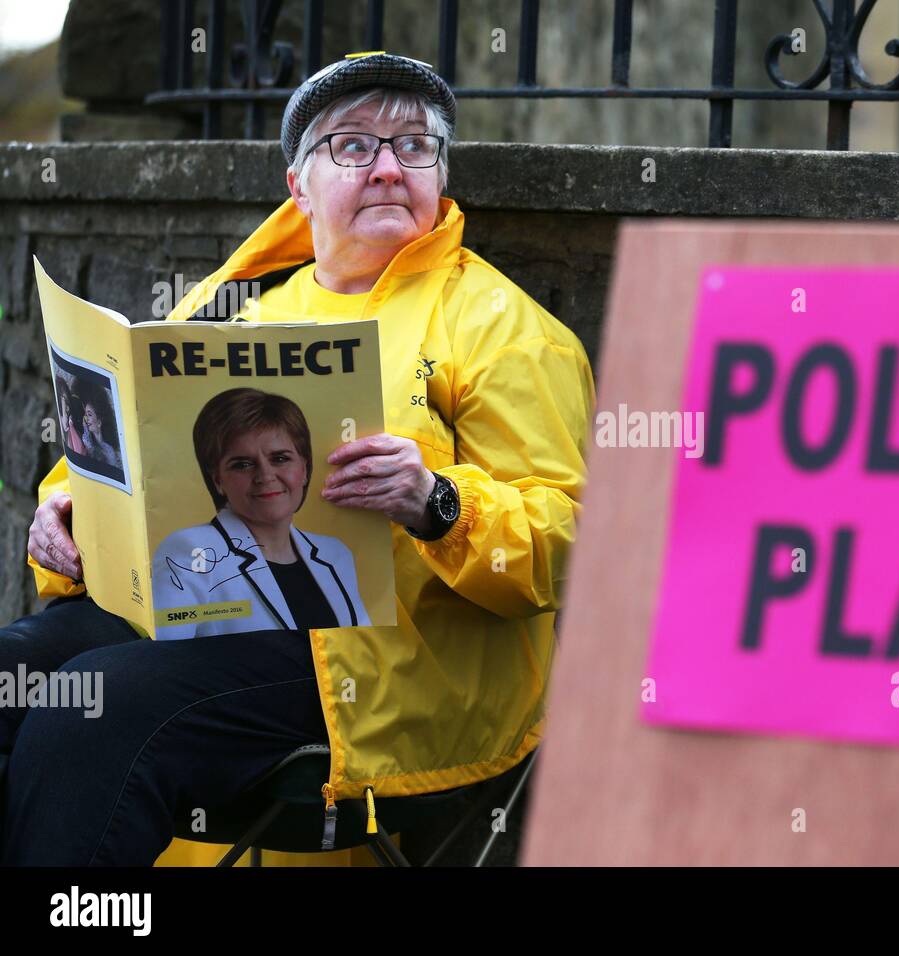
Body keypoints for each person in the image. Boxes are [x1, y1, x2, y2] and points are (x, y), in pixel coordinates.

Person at [3, 51, 595, 865]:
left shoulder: (504, 328)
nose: (388, 168)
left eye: (415, 145)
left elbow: (578, 542)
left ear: (440, 171)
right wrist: (61, 520)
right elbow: (107, 463)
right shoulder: (240, 315)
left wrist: (439, 503)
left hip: (381, 666)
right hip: (194, 610)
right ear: (299, 186)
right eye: (353, 146)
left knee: (95, 710)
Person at [152, 388, 369, 639]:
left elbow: (363, 647)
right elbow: (168, 657)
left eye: (280, 458)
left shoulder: (334, 553)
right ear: (218, 480)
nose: (265, 476)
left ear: (305, 469)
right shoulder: (191, 549)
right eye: (242, 464)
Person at [78, 391, 120, 470]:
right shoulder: (85, 441)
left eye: (89, 415)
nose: (86, 419)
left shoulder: (109, 450)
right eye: (86, 415)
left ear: (99, 422)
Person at [55, 380, 87, 457]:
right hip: (74, 442)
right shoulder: (62, 409)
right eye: (61, 395)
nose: (64, 396)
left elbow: (83, 416)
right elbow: (65, 427)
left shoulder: (74, 400)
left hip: (83, 433)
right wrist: (63, 405)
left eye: (64, 392)